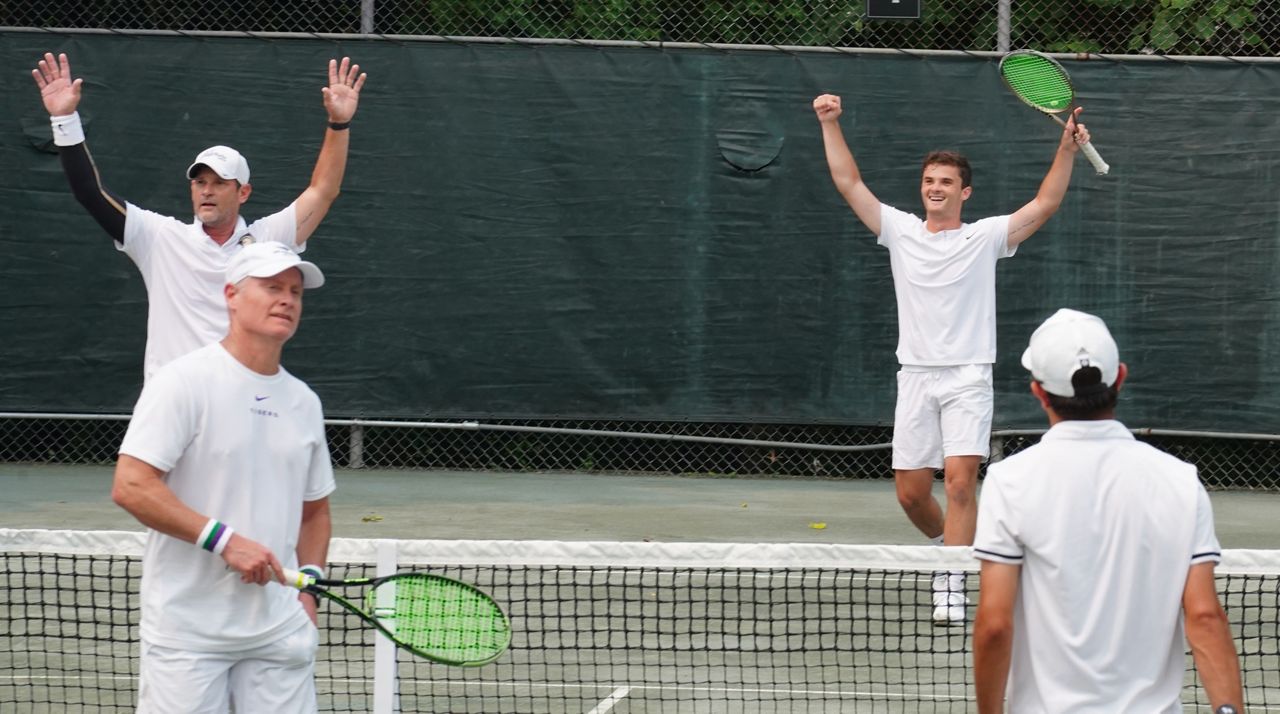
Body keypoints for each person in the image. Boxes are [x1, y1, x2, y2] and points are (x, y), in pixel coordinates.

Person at [812, 92, 1090, 623]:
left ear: (964, 192)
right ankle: (950, 547)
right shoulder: (899, 231)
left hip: (967, 376)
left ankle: (951, 581)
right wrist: (829, 123)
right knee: (911, 495)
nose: (934, 188)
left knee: (961, 482)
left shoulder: (985, 237)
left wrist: (1066, 150)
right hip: (916, 376)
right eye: (928, 181)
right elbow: (849, 182)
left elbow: (1044, 204)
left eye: (945, 182)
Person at [31, 51, 366, 382]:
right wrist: (64, 120)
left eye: (219, 183)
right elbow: (90, 193)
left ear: (243, 193)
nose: (207, 191)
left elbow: (323, 190)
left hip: (239, 402)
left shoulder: (268, 241)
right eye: (200, 182)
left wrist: (339, 124)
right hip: (173, 406)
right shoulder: (159, 237)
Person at [972, 308, 1244, 713]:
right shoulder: (1180, 480)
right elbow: (1204, 616)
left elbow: (994, 625)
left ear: (1038, 392)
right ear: (1120, 378)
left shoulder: (1009, 481)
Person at [111, 242, 335, 712]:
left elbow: (314, 512)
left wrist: (309, 586)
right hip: (187, 634)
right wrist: (225, 541)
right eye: (272, 287)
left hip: (279, 632)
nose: (287, 300)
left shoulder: (304, 402)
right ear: (232, 295)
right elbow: (131, 485)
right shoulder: (182, 382)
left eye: (295, 292)